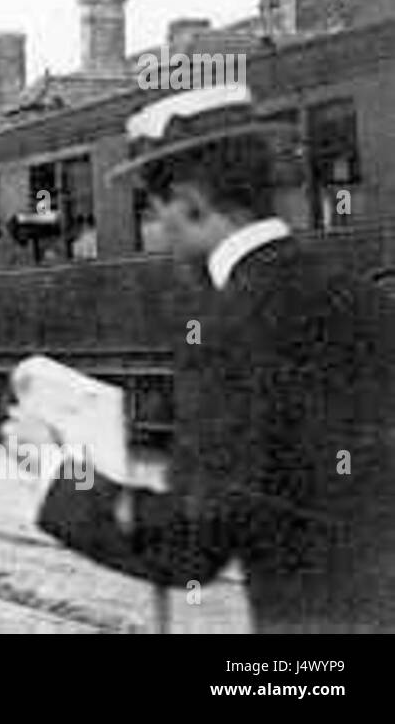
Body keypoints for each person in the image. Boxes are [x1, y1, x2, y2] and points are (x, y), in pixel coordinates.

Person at [24, 85, 395, 633]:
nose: (163, 236)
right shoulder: (368, 298)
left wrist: (59, 475)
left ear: (193, 201)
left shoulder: (227, 330)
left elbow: (190, 541)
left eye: (156, 213)